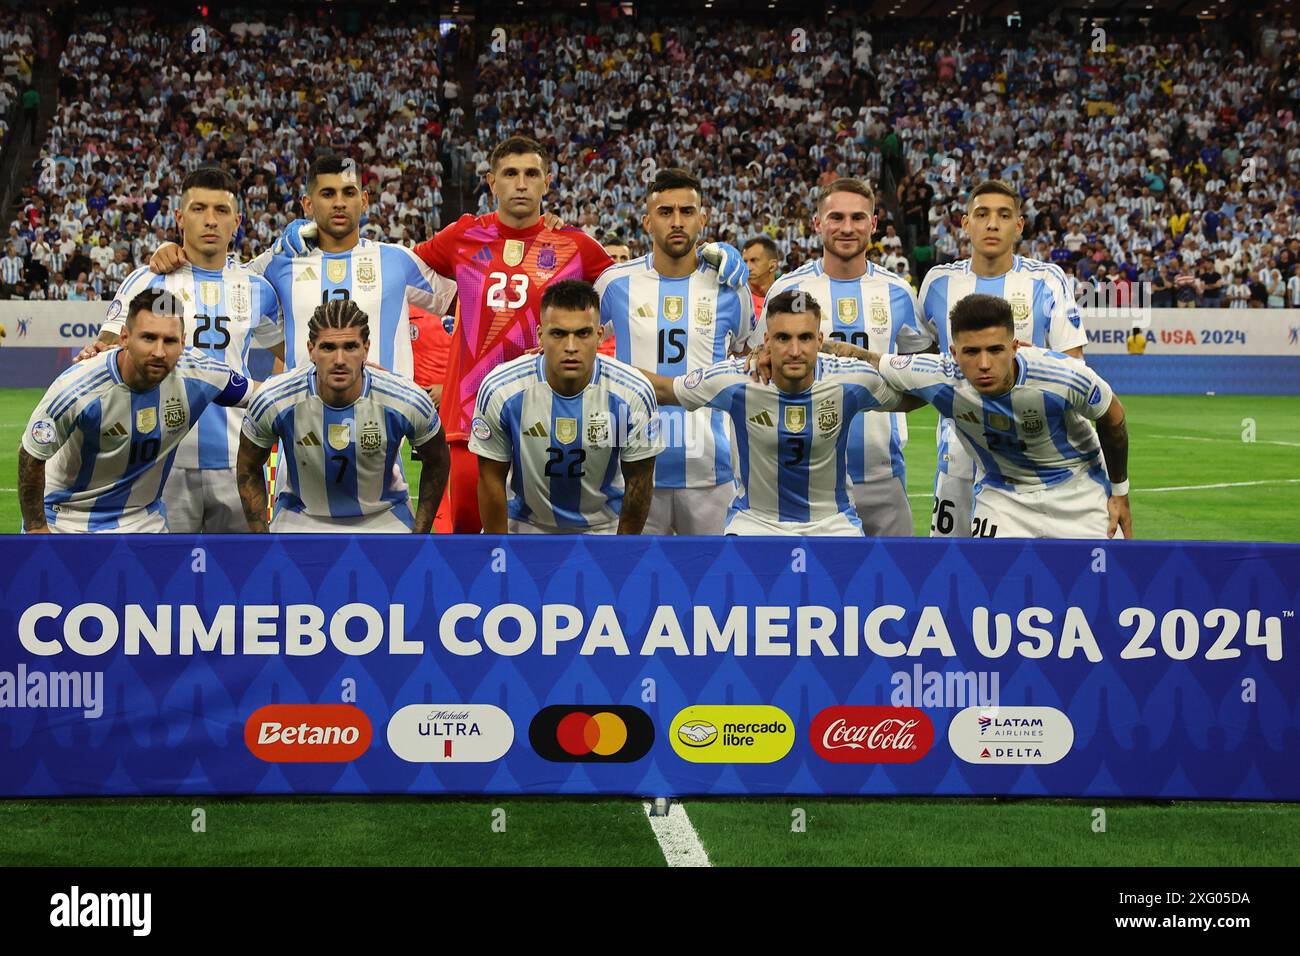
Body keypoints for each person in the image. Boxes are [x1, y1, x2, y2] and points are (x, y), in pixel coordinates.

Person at [76, 166, 282, 532]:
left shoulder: (256, 288)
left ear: (236, 221)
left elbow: (292, 351)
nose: (210, 220)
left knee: (240, 581)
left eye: (221, 211)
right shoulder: (149, 279)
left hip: (238, 459)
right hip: (158, 460)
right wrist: (93, 353)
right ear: (179, 217)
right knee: (166, 583)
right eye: (199, 208)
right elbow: (107, 348)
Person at [838, 294, 1132, 539]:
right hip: (1003, 498)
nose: (983, 363)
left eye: (995, 350)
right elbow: (874, 362)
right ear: (953, 352)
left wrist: (1120, 492)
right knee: (993, 594)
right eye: (971, 352)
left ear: (1015, 347)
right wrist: (819, 349)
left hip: (1078, 491)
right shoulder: (937, 373)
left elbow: (1113, 418)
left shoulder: (1062, 374)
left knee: (1106, 592)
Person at [642, 290, 922, 537]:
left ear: (820, 340)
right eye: (782, 338)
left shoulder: (852, 380)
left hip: (833, 524)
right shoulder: (736, 379)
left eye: (806, 338)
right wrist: (601, 366)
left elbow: (915, 395)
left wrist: (870, 357)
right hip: (754, 523)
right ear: (766, 341)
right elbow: (667, 390)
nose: (795, 350)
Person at [743, 178, 928, 536]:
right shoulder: (789, 290)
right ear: (817, 223)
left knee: (890, 588)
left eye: (858, 218)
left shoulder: (899, 292)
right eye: (836, 217)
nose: (847, 228)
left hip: (881, 474)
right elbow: (759, 363)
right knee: (817, 591)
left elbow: (917, 373)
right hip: (807, 480)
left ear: (873, 225)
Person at [915, 180, 1087, 539]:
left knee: (1013, 566)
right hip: (957, 453)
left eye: (1004, 215)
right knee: (950, 562)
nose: (992, 224)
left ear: (1019, 225)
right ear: (965, 223)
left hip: (1027, 454)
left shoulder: (1048, 280)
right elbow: (916, 360)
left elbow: (1074, 368)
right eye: (982, 214)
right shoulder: (937, 283)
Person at [595, 168, 753, 535]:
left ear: (704, 219)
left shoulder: (730, 287)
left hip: (711, 471)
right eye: (665, 212)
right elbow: (578, 340)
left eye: (687, 211)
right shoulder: (615, 283)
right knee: (634, 586)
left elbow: (752, 356)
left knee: (713, 588)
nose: (677, 221)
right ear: (648, 222)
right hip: (630, 468)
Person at [19, 288, 254, 533]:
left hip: (142, 520)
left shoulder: (199, 373)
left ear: (183, 342)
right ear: (124, 337)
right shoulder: (78, 387)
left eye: (170, 340)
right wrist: (37, 531)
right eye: (148, 338)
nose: (159, 352)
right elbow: (31, 455)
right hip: (66, 519)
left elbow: (261, 395)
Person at [237, 299, 449, 533]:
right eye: (328, 347)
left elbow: (437, 461)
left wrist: (420, 534)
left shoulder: (406, 399)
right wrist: (261, 540)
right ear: (311, 350)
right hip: (301, 517)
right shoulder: (274, 399)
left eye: (350, 347)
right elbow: (248, 468)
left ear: (366, 349)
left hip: (385, 517)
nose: (339, 360)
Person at [469, 280, 661, 535]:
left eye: (583, 333)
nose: (571, 347)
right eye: (558, 333)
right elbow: (490, 477)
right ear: (540, 335)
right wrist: (500, 549)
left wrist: (622, 552)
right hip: (525, 525)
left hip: (604, 528)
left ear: (600, 335)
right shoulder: (501, 388)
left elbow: (640, 480)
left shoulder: (634, 391)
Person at [742, 235, 781, 316]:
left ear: (772, 266)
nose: (747, 268)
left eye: (754, 260)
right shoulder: (738, 301)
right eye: (745, 261)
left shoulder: (788, 302)